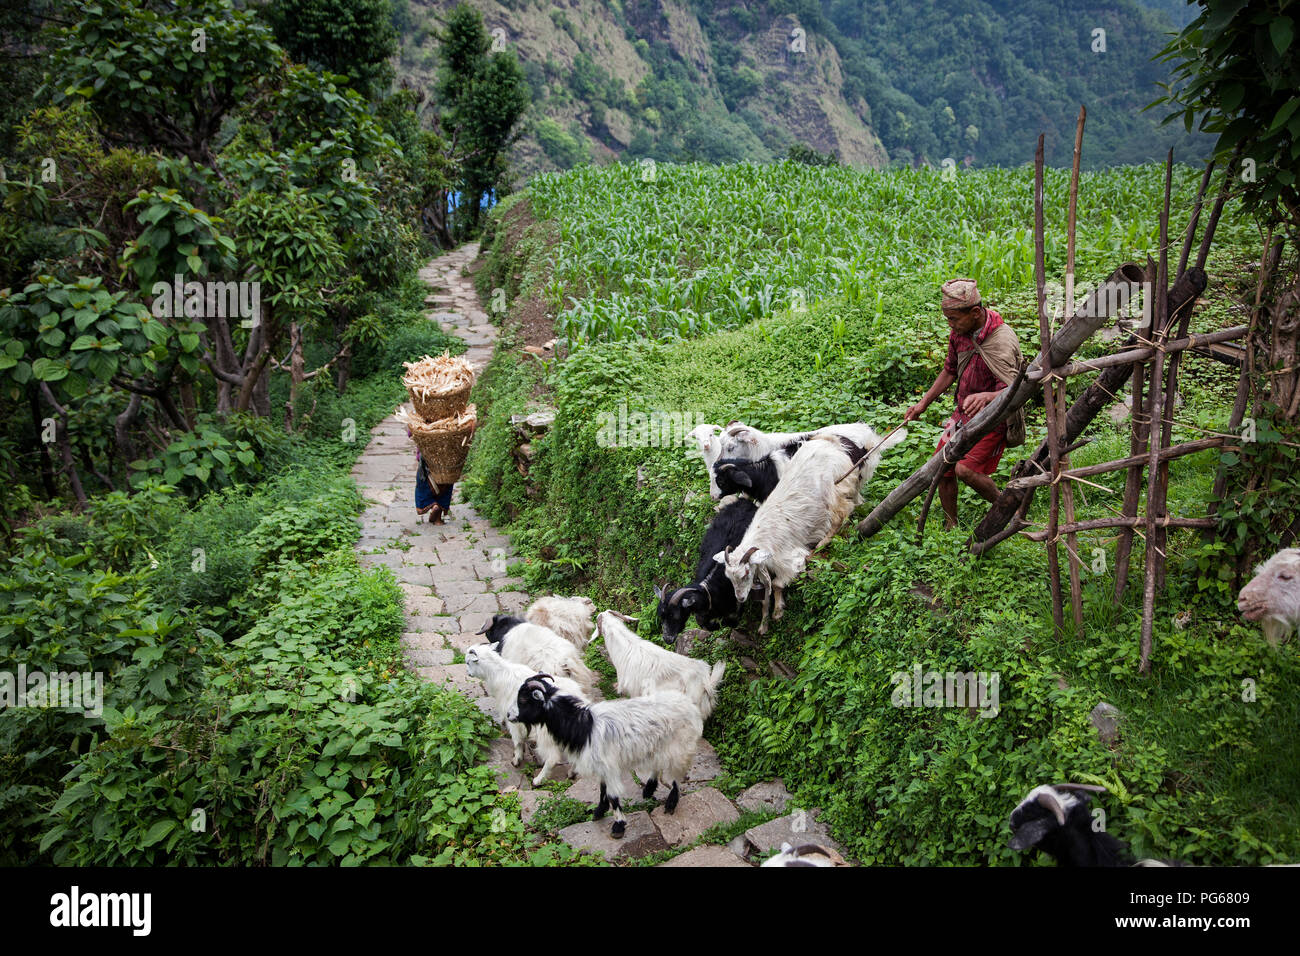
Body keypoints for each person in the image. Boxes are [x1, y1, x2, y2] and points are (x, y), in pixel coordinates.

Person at [903, 278, 1021, 530]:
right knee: (943, 467)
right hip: (962, 416)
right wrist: (923, 403)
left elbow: (1017, 389)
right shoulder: (959, 335)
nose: (950, 325)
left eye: (954, 319)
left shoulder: (1002, 340)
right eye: (948, 318)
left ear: (975, 312)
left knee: (965, 470)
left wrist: (987, 397)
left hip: (994, 418)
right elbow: (950, 370)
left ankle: (1007, 510)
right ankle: (950, 526)